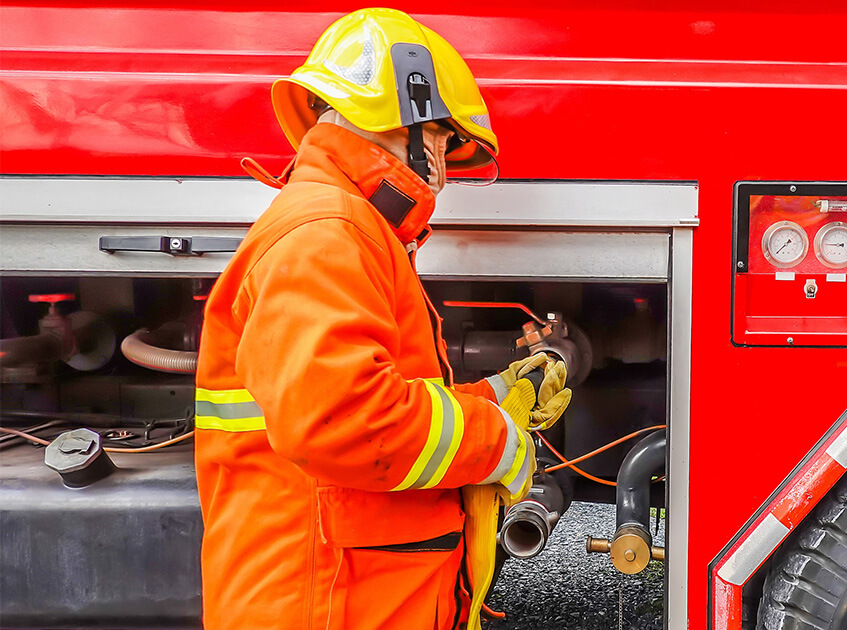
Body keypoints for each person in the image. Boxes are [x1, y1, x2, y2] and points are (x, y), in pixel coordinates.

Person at [193, 9, 570, 629]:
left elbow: (371, 401)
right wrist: (497, 441)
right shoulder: (328, 234)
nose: (445, 172)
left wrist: (494, 397)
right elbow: (347, 423)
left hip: (337, 595)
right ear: (409, 124)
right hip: (325, 604)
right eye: (446, 143)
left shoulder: (343, 228)